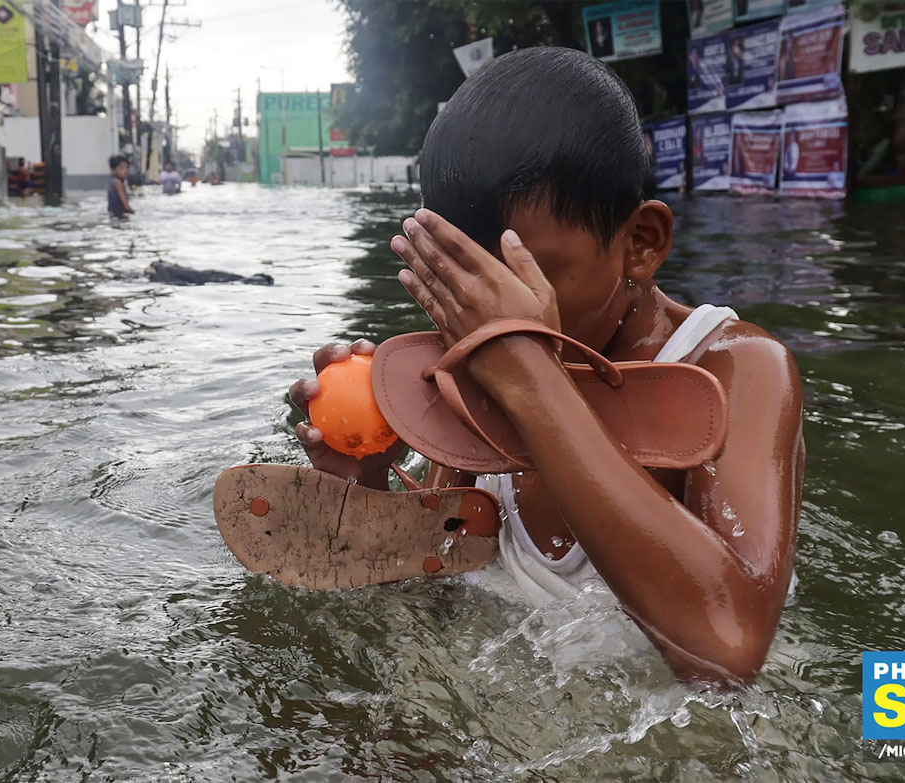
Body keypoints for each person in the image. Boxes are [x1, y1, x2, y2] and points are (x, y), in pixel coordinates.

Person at [288, 47, 803, 684]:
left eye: (526, 278)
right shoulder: (469, 368)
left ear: (640, 244)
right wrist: (367, 487)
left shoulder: (736, 370)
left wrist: (523, 370)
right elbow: (436, 594)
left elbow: (730, 648)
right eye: (470, 285)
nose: (486, 315)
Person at [107, 155, 135, 220]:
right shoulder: (118, 183)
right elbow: (126, 207)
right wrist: (134, 213)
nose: (126, 171)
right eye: (121, 168)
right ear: (113, 170)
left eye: (127, 168)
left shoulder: (112, 182)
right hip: (120, 217)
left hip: (113, 216)